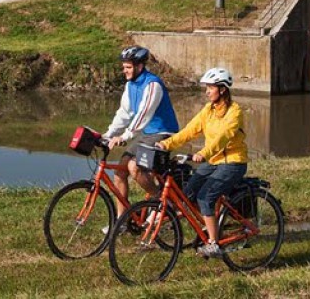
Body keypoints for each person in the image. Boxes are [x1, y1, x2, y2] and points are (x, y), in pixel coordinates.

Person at [156, 67, 247, 258]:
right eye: (206, 87)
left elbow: (223, 137)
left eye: (210, 88)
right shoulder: (208, 110)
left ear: (222, 89)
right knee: (188, 193)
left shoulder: (235, 111)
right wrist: (167, 143)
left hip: (232, 162)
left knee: (205, 197)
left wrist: (203, 153)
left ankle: (214, 244)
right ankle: (209, 223)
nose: (207, 92)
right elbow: (190, 131)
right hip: (213, 160)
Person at [103, 45, 180, 222]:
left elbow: (144, 114)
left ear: (139, 66)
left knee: (134, 167)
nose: (125, 71)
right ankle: (122, 220)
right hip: (146, 133)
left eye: (128, 67)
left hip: (163, 132)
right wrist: (109, 134)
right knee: (120, 172)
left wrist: (125, 136)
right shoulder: (130, 85)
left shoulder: (153, 84)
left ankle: (163, 202)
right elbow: (124, 113)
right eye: (124, 67)